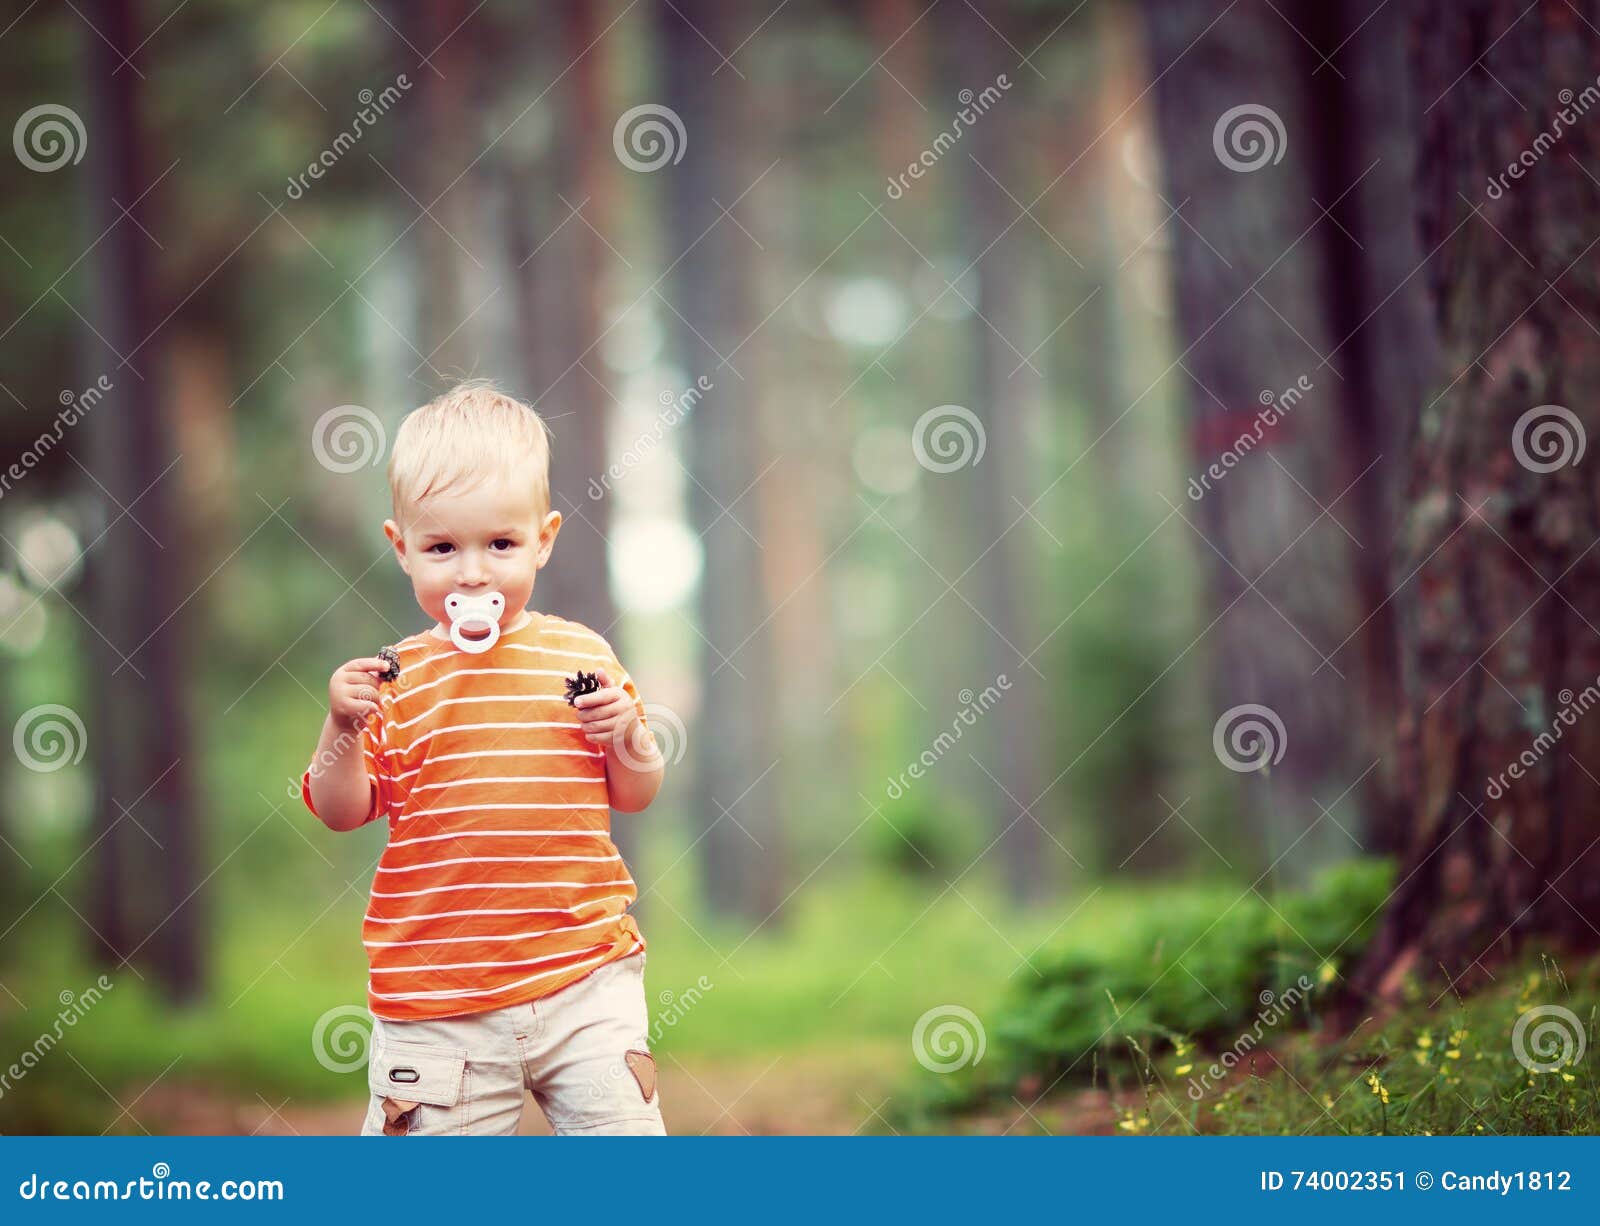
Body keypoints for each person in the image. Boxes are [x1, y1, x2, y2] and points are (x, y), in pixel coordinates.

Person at [301, 380, 667, 1135]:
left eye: (499, 544)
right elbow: (342, 812)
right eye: (442, 548)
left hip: (584, 980)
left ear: (544, 538)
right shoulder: (393, 681)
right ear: (403, 549)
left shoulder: (580, 656)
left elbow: (635, 793)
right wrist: (340, 721)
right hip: (438, 1006)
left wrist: (627, 730)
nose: (472, 573)